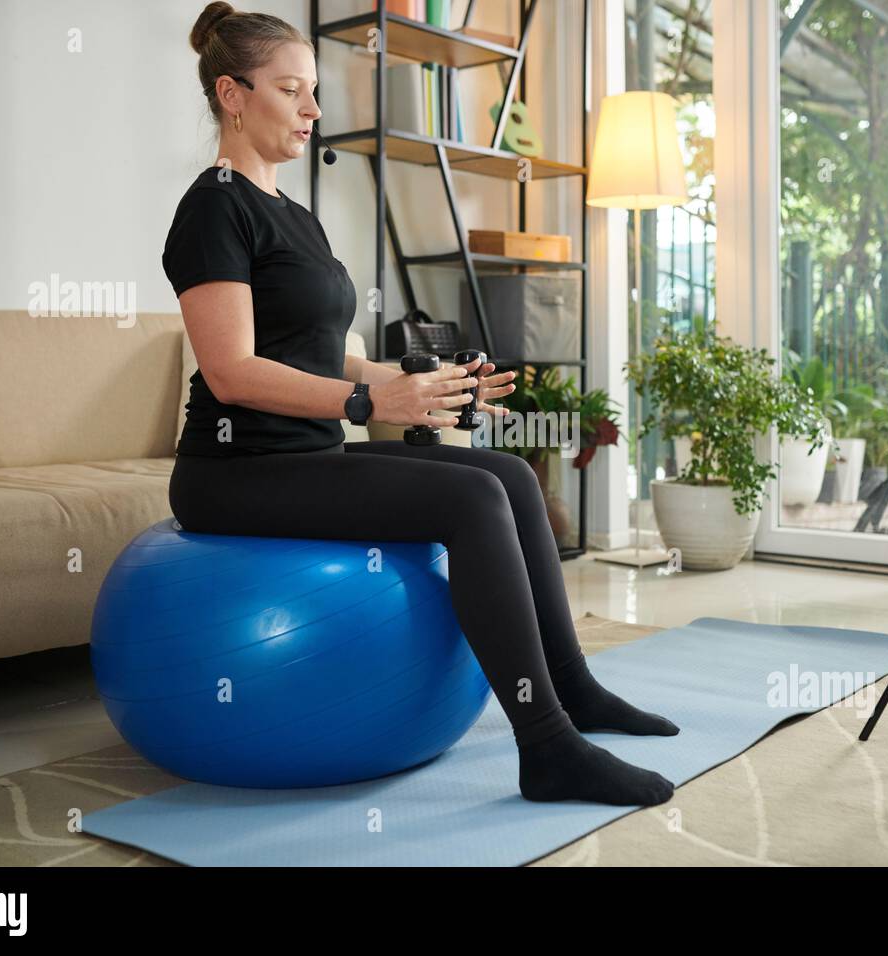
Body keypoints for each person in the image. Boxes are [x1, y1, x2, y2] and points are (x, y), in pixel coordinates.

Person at [165, 2, 678, 806]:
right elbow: (231, 372)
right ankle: (546, 747)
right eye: (291, 90)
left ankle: (575, 689)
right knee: (471, 497)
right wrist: (370, 400)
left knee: (503, 472)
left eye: (313, 91)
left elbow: (325, 353)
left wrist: (436, 395)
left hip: (305, 453)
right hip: (235, 469)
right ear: (233, 94)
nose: (313, 109)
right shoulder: (213, 208)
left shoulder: (294, 217)